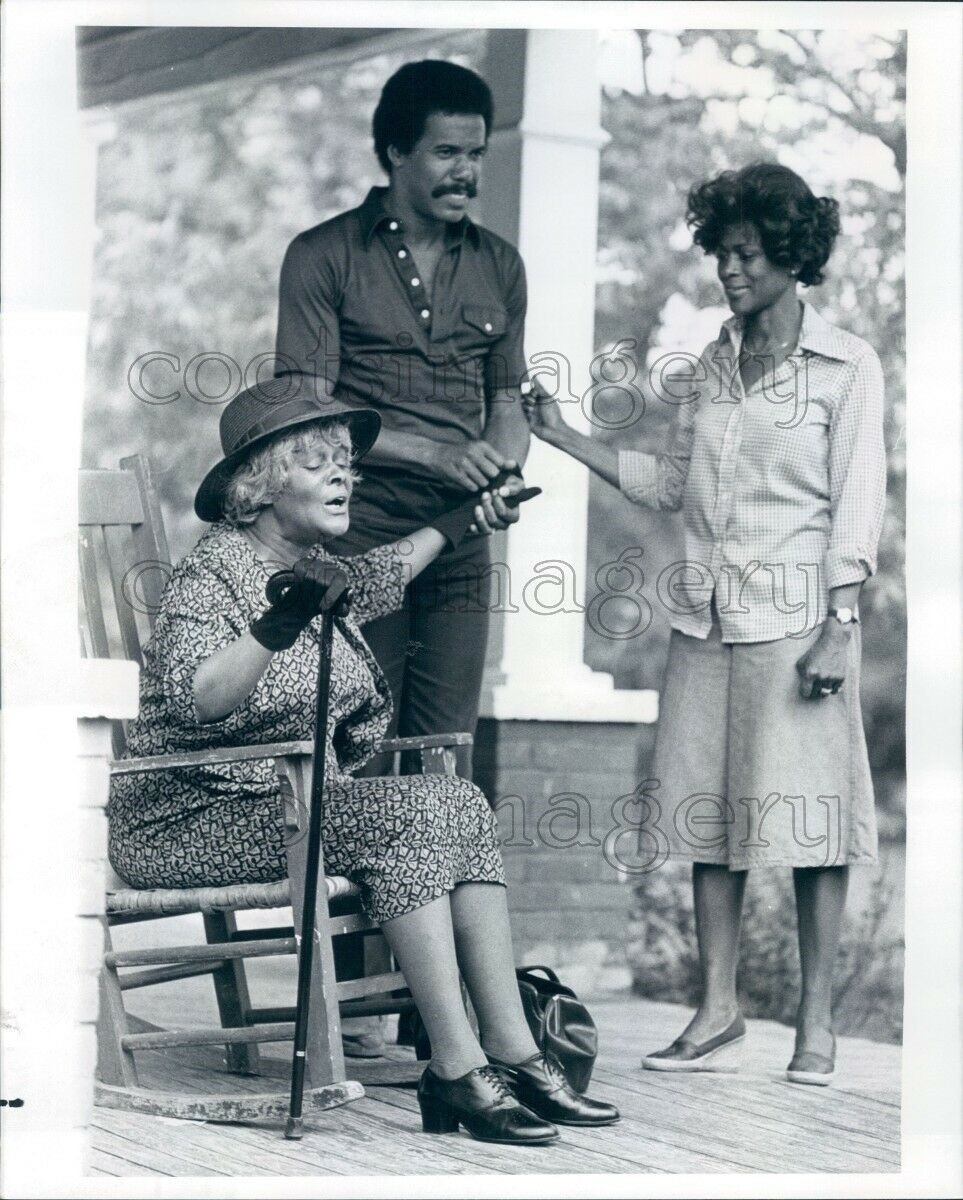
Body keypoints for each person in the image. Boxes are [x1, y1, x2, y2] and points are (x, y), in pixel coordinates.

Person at [107, 378, 617, 1142]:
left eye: (347, 461)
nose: (346, 474)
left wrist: (462, 519)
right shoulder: (211, 573)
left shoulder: (321, 568)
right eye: (319, 463)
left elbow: (386, 570)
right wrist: (281, 621)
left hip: (284, 805)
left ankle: (512, 1053)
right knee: (410, 814)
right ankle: (454, 1067)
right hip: (191, 817)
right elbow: (197, 699)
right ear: (262, 485)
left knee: (460, 802)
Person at [526, 162, 886, 1086]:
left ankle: (813, 1027)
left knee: (812, 826)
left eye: (748, 253)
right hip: (705, 620)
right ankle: (716, 1009)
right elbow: (673, 483)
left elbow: (856, 503)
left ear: (791, 257)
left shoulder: (847, 366)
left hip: (798, 624)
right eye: (720, 251)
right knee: (704, 820)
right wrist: (566, 435)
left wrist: (839, 622)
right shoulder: (707, 371)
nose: (728, 269)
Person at [274, 59, 531, 779]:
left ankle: (429, 891)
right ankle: (346, 893)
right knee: (352, 747)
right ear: (395, 151)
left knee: (442, 755)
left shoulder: (501, 267)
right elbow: (304, 409)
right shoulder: (323, 255)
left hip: (457, 546)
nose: (466, 172)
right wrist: (433, 454)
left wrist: (502, 470)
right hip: (355, 534)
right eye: (447, 152)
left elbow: (507, 406)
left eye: (475, 154)